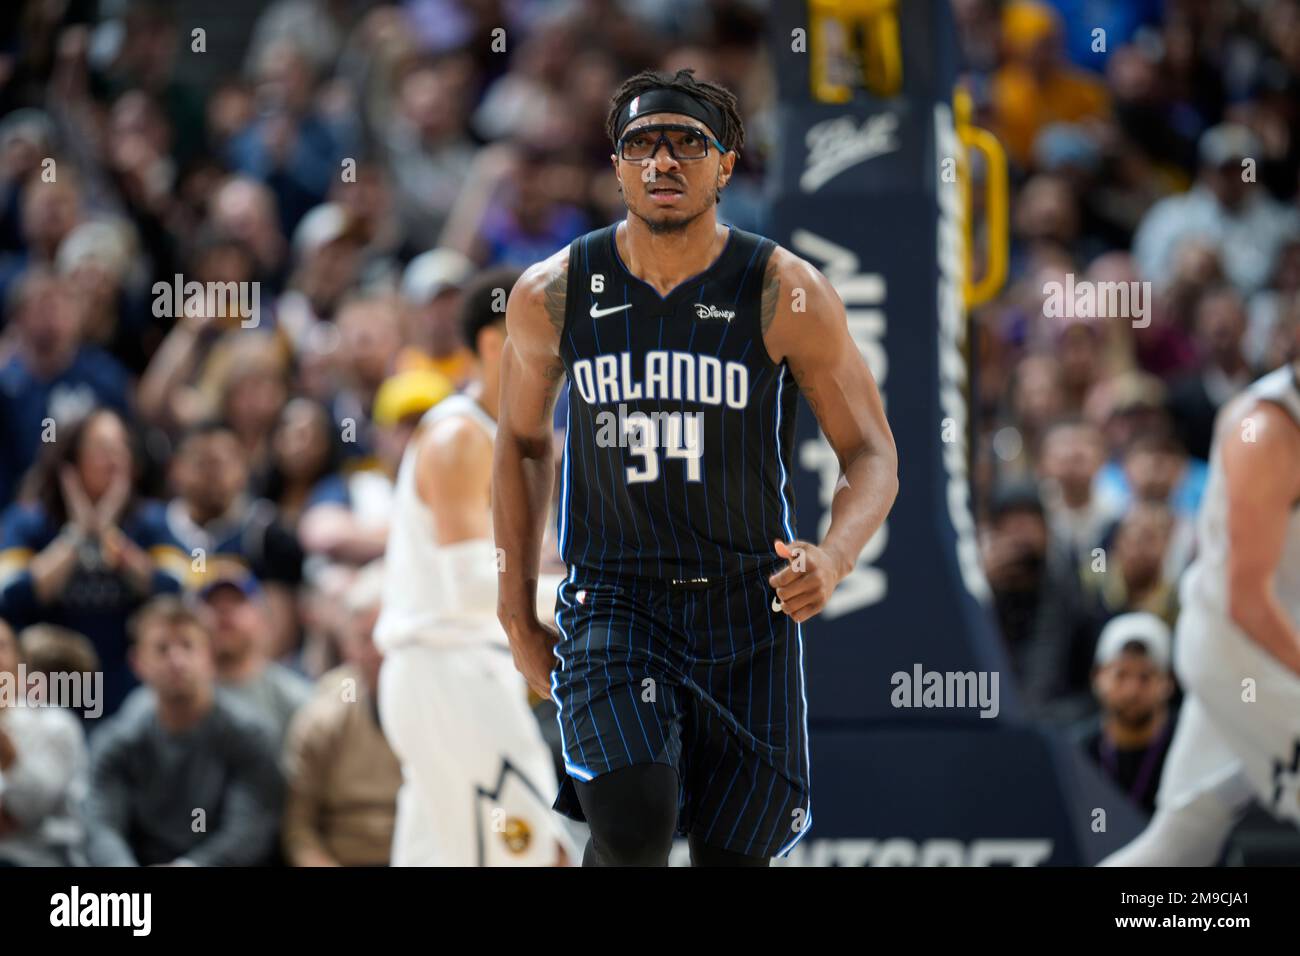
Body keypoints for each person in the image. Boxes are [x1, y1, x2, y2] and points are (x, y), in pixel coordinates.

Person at [493, 69, 897, 866]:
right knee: (634, 825)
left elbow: (872, 452)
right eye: (642, 145)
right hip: (615, 601)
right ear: (616, 166)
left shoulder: (787, 290)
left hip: (748, 607)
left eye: (687, 143)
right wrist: (514, 613)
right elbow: (523, 442)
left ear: (727, 165)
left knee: (732, 857)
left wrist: (836, 555)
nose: (663, 162)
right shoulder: (552, 293)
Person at [376, 267, 575, 866]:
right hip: (450, 672)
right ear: (494, 343)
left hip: (450, 676)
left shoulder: (512, 439)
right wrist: (584, 596)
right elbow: (466, 584)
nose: (561, 361)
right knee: (542, 859)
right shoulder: (459, 439)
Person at [1101, 357, 1300, 865]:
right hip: (1242, 653)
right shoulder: (1268, 429)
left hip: (1265, 645)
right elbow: (1247, 600)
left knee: (1181, 840)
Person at [84, 596, 283, 866]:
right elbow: (102, 829)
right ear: (137, 663)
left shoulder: (250, 735)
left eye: (188, 646)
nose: (176, 660)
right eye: (162, 649)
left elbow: (250, 831)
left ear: (209, 656)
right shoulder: (117, 741)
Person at [282, 561, 400, 867]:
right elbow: (298, 830)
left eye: (385, 635)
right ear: (348, 646)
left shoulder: (437, 713)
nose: (377, 651)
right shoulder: (323, 717)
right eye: (365, 638)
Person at [0, 617, 88, 866]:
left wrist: (9, 757)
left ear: (19, 662)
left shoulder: (54, 724)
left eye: (2, 646)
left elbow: (26, 812)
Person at [1075, 612, 1176, 817]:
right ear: (1097, 677)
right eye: (1120, 675)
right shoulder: (1079, 754)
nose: (1132, 691)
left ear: (1167, 682)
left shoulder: (1185, 749)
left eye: (1145, 677)